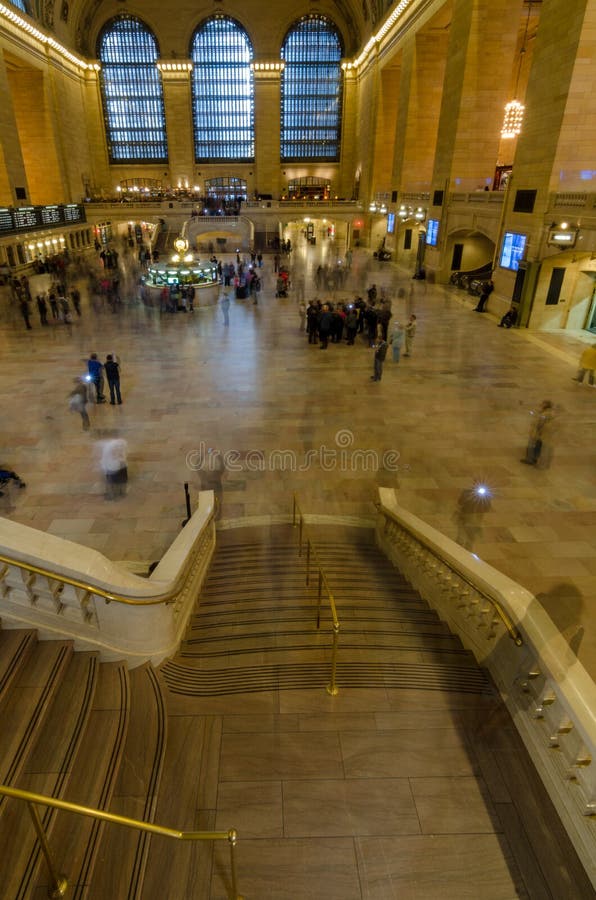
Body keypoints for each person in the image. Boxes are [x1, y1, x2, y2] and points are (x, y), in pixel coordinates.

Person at [521, 400, 554, 466]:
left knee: (531, 446)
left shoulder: (545, 414)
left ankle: (529, 459)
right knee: (537, 446)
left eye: (543, 403)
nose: (541, 404)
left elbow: (540, 423)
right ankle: (534, 459)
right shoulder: (546, 412)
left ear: (546, 405)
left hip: (537, 433)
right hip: (540, 434)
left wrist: (537, 432)